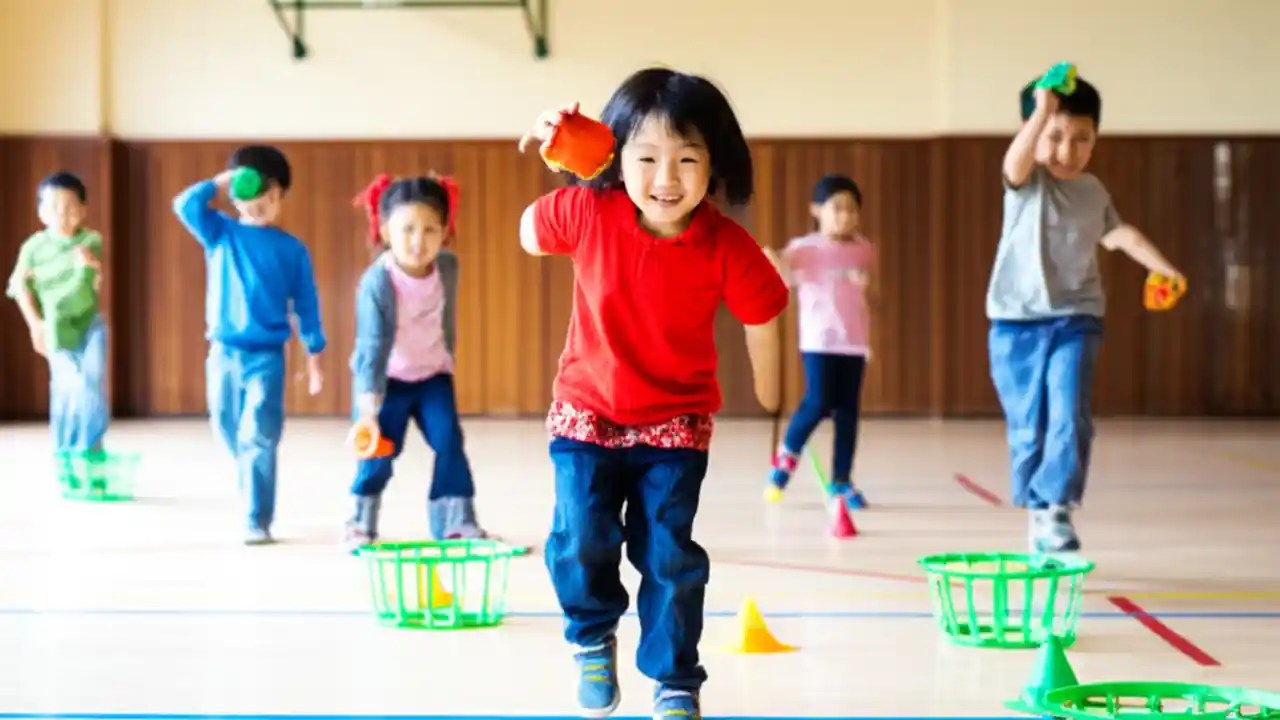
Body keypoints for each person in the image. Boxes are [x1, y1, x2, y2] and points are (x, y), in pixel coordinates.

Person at [517, 67, 789, 720]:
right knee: (581, 537)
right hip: (586, 411)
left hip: (674, 425)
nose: (666, 179)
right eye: (646, 159)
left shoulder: (725, 242)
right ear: (616, 157)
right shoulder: (588, 210)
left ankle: (674, 681)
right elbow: (529, 234)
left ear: (714, 163)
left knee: (669, 556)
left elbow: (764, 315)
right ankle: (591, 635)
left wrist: (770, 392)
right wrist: (558, 156)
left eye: (687, 159)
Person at [987, 68, 1185, 553]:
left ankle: (1056, 507)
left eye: (1081, 139)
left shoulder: (1093, 192)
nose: (1066, 150)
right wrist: (1041, 112)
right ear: (1033, 133)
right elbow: (1014, 160)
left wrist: (1165, 269)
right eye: (1054, 137)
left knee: (1070, 411)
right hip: (1015, 323)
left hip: (1077, 318)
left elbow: (1121, 235)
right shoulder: (1027, 180)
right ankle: (1037, 508)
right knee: (1028, 422)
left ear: (1095, 141)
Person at [172, 145, 326, 546]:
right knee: (225, 425)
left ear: (280, 197)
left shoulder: (291, 249)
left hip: (267, 355)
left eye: (268, 196)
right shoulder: (220, 232)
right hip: (223, 351)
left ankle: (256, 517)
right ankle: (250, 478)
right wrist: (221, 182)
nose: (258, 205)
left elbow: (306, 304)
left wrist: (314, 353)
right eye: (250, 195)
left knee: (259, 431)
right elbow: (185, 205)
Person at [345, 173, 490, 550]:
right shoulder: (377, 282)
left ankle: (456, 522)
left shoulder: (448, 267)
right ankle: (360, 521)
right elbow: (371, 347)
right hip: (386, 382)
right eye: (407, 229)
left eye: (430, 230)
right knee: (380, 453)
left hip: (433, 377)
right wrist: (367, 410)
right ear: (385, 230)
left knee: (449, 442)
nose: (417, 241)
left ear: (445, 232)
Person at [765, 173, 877, 511]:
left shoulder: (863, 249)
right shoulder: (806, 248)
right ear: (817, 209)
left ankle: (841, 481)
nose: (845, 216)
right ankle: (787, 456)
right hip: (819, 342)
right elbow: (782, 272)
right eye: (837, 208)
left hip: (853, 344)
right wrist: (773, 258)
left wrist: (868, 340)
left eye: (852, 209)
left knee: (848, 414)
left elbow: (861, 297)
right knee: (817, 402)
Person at [6, 172, 110, 461]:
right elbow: (19, 286)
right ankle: (65, 454)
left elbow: (81, 287)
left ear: (84, 210)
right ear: (41, 211)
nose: (62, 215)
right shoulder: (33, 247)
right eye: (53, 207)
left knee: (91, 386)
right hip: (55, 327)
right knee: (66, 390)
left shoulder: (91, 240)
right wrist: (35, 326)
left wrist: (85, 271)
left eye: (70, 207)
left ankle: (91, 451)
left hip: (89, 325)